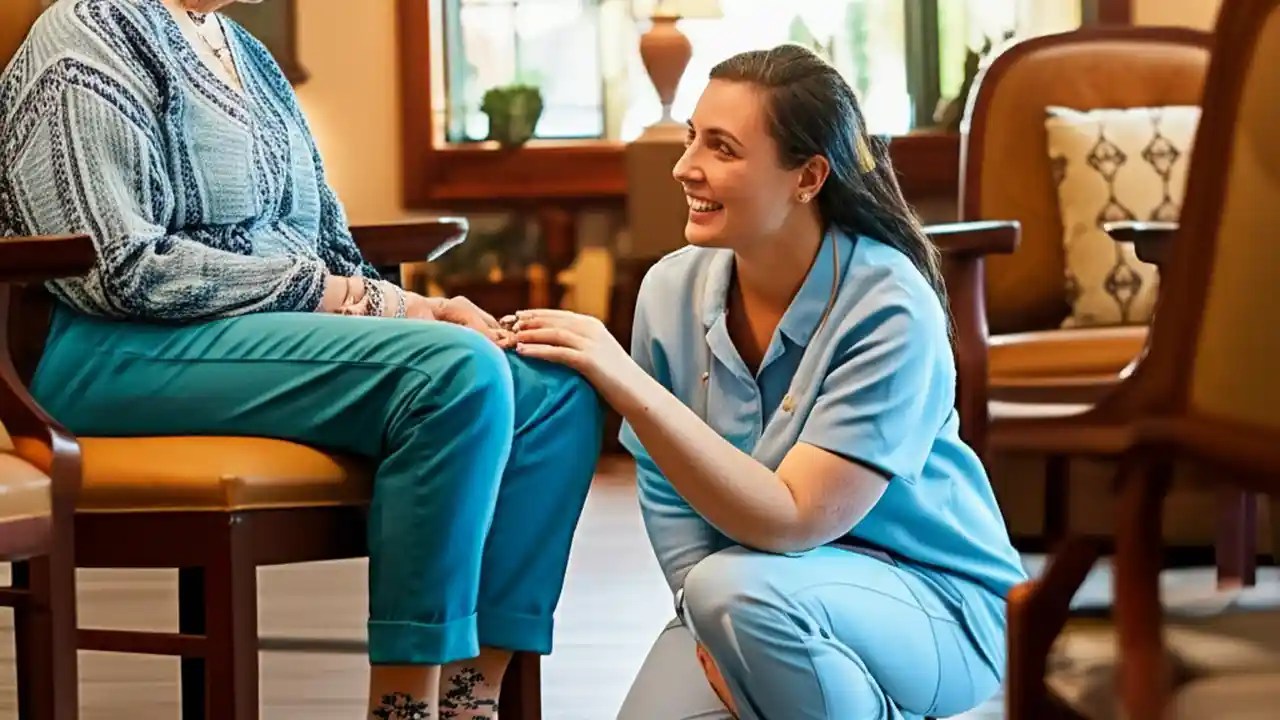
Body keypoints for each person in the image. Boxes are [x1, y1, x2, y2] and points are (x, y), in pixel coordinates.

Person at [0, 0, 602, 717]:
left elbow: (328, 243)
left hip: (256, 341)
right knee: (452, 373)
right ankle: (404, 707)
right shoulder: (88, 30)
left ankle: (470, 695)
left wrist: (426, 308)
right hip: (116, 351)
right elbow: (123, 270)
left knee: (555, 384)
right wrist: (383, 308)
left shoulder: (247, 53)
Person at [510, 44, 1027, 720]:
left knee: (737, 593)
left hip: (933, 605)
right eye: (693, 137)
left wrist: (624, 380)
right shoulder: (670, 289)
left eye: (721, 148)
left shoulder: (888, 304)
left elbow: (794, 518)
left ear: (808, 177)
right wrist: (724, 636)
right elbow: (668, 494)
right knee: (720, 613)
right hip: (744, 603)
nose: (685, 166)